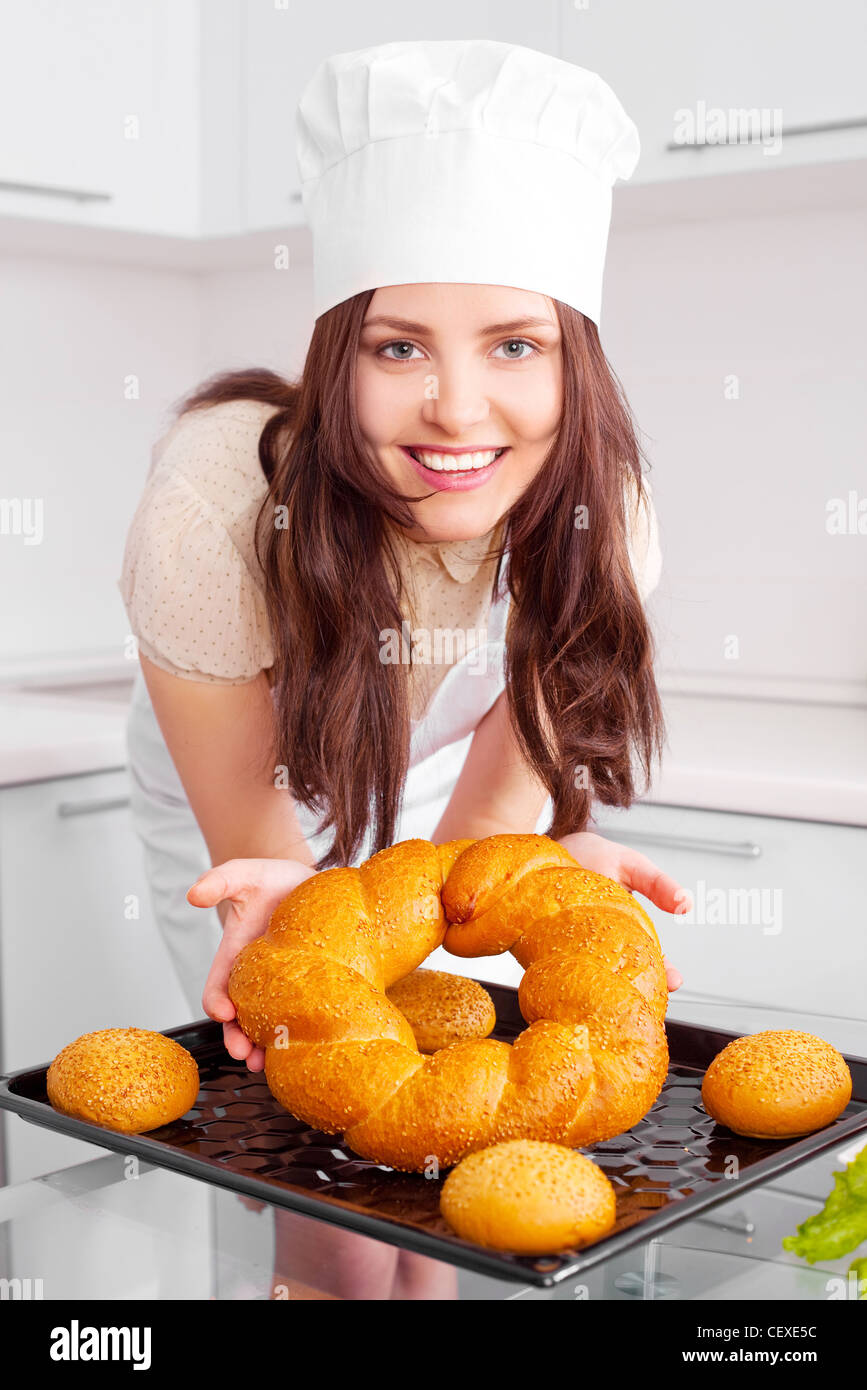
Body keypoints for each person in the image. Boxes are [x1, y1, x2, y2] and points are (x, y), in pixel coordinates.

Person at [120, 38, 688, 1300]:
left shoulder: (606, 516)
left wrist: (537, 882)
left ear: (571, 359)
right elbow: (292, 901)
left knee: (442, 1144)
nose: (457, 410)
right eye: (398, 348)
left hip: (428, 804)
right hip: (257, 817)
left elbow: (479, 840)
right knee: (333, 1163)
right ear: (340, 356)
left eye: (514, 346)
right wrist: (280, 925)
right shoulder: (214, 510)